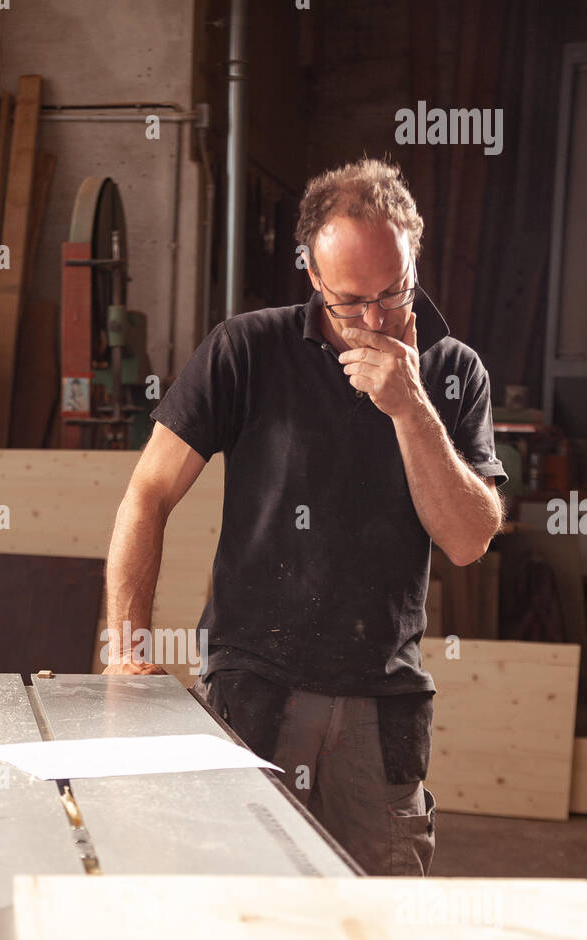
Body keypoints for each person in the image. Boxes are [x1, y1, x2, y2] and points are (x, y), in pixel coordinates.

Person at [103, 157, 507, 875]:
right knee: (239, 911)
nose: (376, 320)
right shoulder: (248, 350)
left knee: (382, 930)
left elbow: (470, 539)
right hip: (253, 689)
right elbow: (148, 494)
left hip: (381, 703)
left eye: (395, 292)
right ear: (313, 279)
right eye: (351, 302)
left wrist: (410, 407)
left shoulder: (453, 372)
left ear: (414, 252)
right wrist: (126, 645)